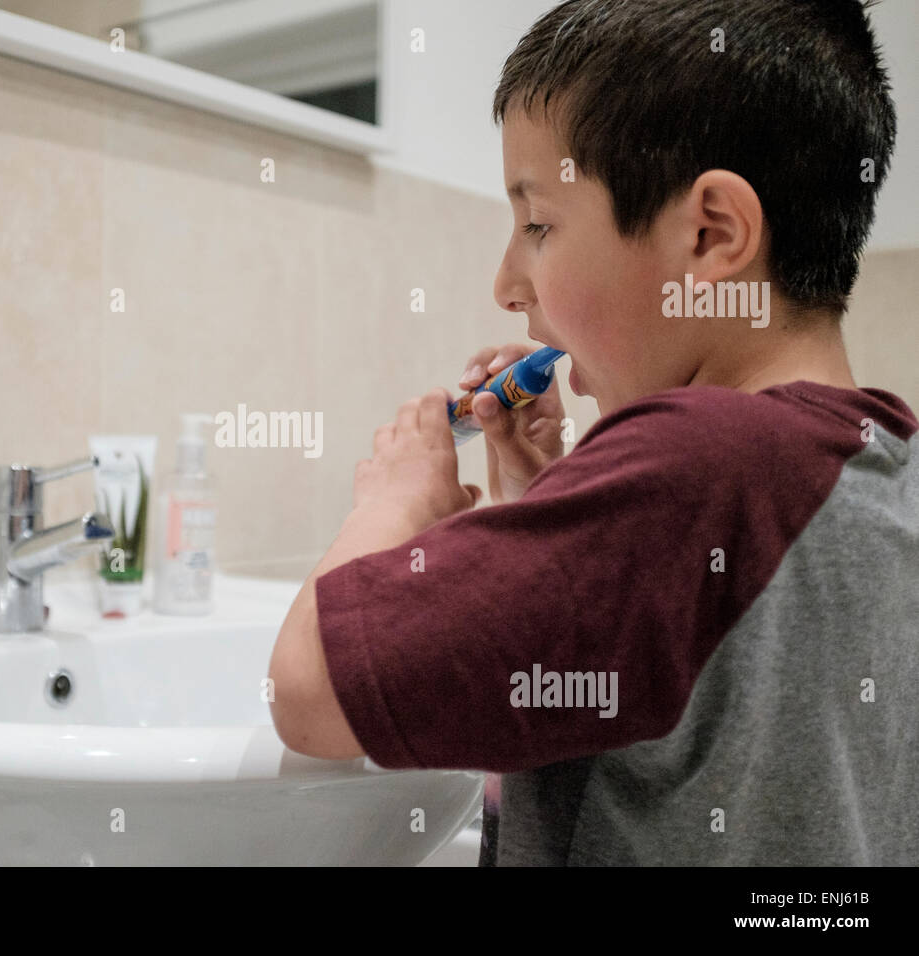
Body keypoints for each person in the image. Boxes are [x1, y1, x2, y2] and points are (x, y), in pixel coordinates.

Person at [268, 0, 917, 865]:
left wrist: (393, 502)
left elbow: (309, 694)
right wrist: (549, 503)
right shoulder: (883, 460)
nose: (507, 283)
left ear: (712, 233)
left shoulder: (701, 462)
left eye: (537, 225)